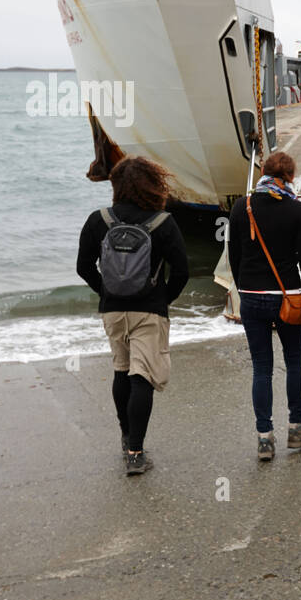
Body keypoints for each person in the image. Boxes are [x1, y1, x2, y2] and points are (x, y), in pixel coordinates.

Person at [76, 156, 190, 475]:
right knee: (143, 377)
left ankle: (126, 436)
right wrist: (162, 299)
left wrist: (106, 292)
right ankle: (135, 452)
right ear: (152, 183)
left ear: (116, 186)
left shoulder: (98, 220)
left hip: (112, 310)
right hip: (149, 310)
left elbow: (83, 266)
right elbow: (182, 271)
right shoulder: (163, 222)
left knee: (121, 369)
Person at [228, 151, 301, 462]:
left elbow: (234, 253)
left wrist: (243, 285)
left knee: (262, 368)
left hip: (251, 294)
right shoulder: (297, 210)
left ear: (264, 173)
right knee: (294, 362)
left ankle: (264, 438)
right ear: (291, 177)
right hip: (288, 297)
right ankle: (296, 428)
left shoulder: (244, 206)